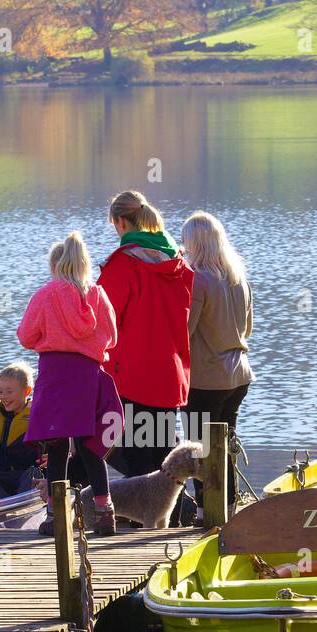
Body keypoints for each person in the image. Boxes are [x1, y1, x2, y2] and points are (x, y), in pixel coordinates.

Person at [17, 232, 122, 536]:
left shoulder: (46, 294)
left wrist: (51, 336)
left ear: (56, 266)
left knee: (57, 447)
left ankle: (55, 516)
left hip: (55, 375)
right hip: (88, 376)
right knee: (90, 448)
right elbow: (112, 339)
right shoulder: (99, 296)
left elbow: (25, 336)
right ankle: (104, 512)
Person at [98, 190, 195, 500]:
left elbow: (103, 319)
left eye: (115, 223)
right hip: (169, 371)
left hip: (132, 375)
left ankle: (142, 525)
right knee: (163, 451)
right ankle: (175, 514)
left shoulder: (122, 265)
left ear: (122, 222)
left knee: (131, 452)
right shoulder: (177, 263)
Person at [180, 211, 255, 521]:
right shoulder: (238, 277)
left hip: (206, 377)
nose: (182, 248)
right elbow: (247, 328)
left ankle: (206, 511)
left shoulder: (198, 278)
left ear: (195, 243)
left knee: (202, 448)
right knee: (226, 445)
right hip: (239, 374)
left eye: (185, 241)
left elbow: (186, 328)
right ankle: (229, 507)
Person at [0, 362, 39, 498]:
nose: (4, 396)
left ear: (27, 391)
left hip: (25, 476)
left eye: (9, 392)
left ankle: (22, 504)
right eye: (0, 391)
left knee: (34, 476)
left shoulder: (38, 414)